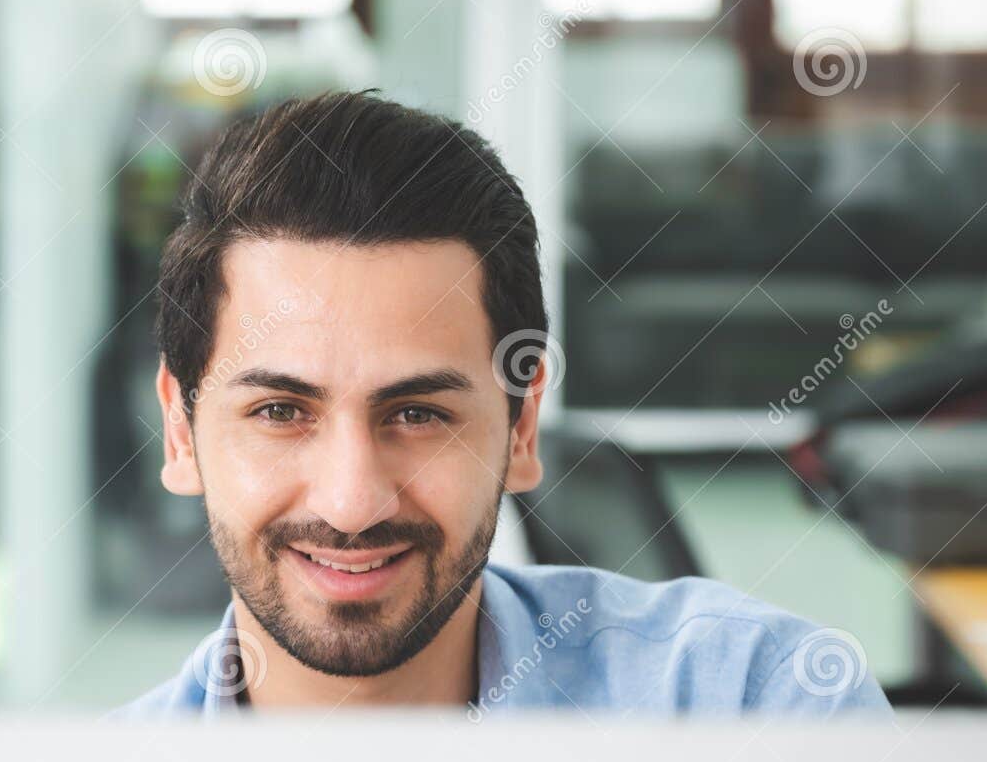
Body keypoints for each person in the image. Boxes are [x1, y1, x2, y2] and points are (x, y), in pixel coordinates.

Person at [120, 91, 891, 718]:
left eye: (418, 413)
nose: (352, 502)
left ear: (521, 428)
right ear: (182, 433)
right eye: (281, 412)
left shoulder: (763, 709)